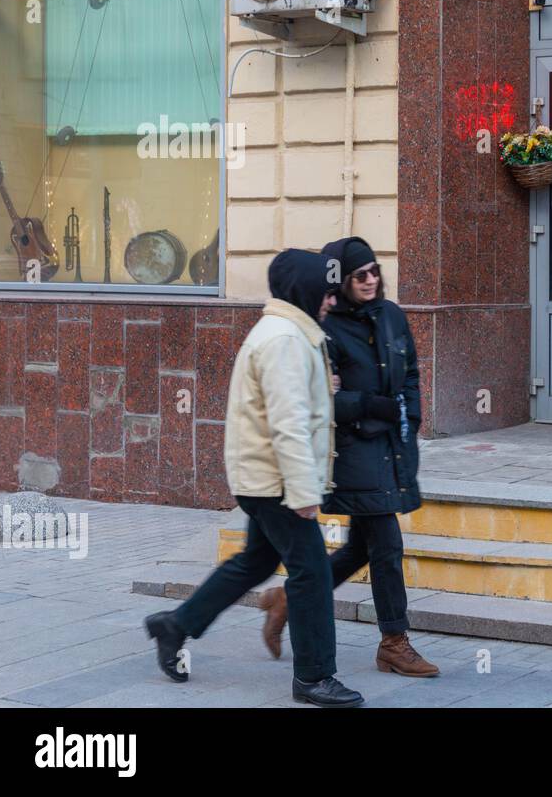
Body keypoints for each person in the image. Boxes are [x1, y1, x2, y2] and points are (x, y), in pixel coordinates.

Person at [144, 249, 365, 708]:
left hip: (263, 478)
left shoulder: (292, 332)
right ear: (303, 290)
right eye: (324, 291)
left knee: (257, 563)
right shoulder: (285, 339)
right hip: (275, 483)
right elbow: (287, 423)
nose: (330, 300)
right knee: (312, 572)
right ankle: (314, 676)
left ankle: (176, 624)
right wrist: (304, 492)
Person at [258, 236, 438, 678]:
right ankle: (395, 642)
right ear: (340, 281)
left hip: (391, 449)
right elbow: (320, 401)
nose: (371, 280)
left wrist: (409, 418)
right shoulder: (325, 328)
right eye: (361, 275)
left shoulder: (391, 315)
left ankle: (286, 600)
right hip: (353, 452)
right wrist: (367, 407)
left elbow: (410, 372)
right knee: (387, 543)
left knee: (363, 546)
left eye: (374, 271)